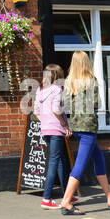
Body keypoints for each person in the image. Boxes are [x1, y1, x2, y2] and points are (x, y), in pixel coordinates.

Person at [58, 51, 110, 214]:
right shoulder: (91, 81)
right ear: (86, 63)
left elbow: (63, 107)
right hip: (88, 127)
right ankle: (66, 201)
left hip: (75, 127)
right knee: (80, 164)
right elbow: (96, 104)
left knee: (99, 159)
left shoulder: (68, 82)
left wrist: (67, 122)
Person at [34, 64, 73, 209]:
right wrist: (64, 125)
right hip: (56, 129)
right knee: (54, 162)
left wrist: (45, 121)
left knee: (61, 160)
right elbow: (57, 109)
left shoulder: (40, 90)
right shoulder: (57, 89)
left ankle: (66, 194)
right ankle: (46, 198)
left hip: (45, 129)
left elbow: (36, 111)